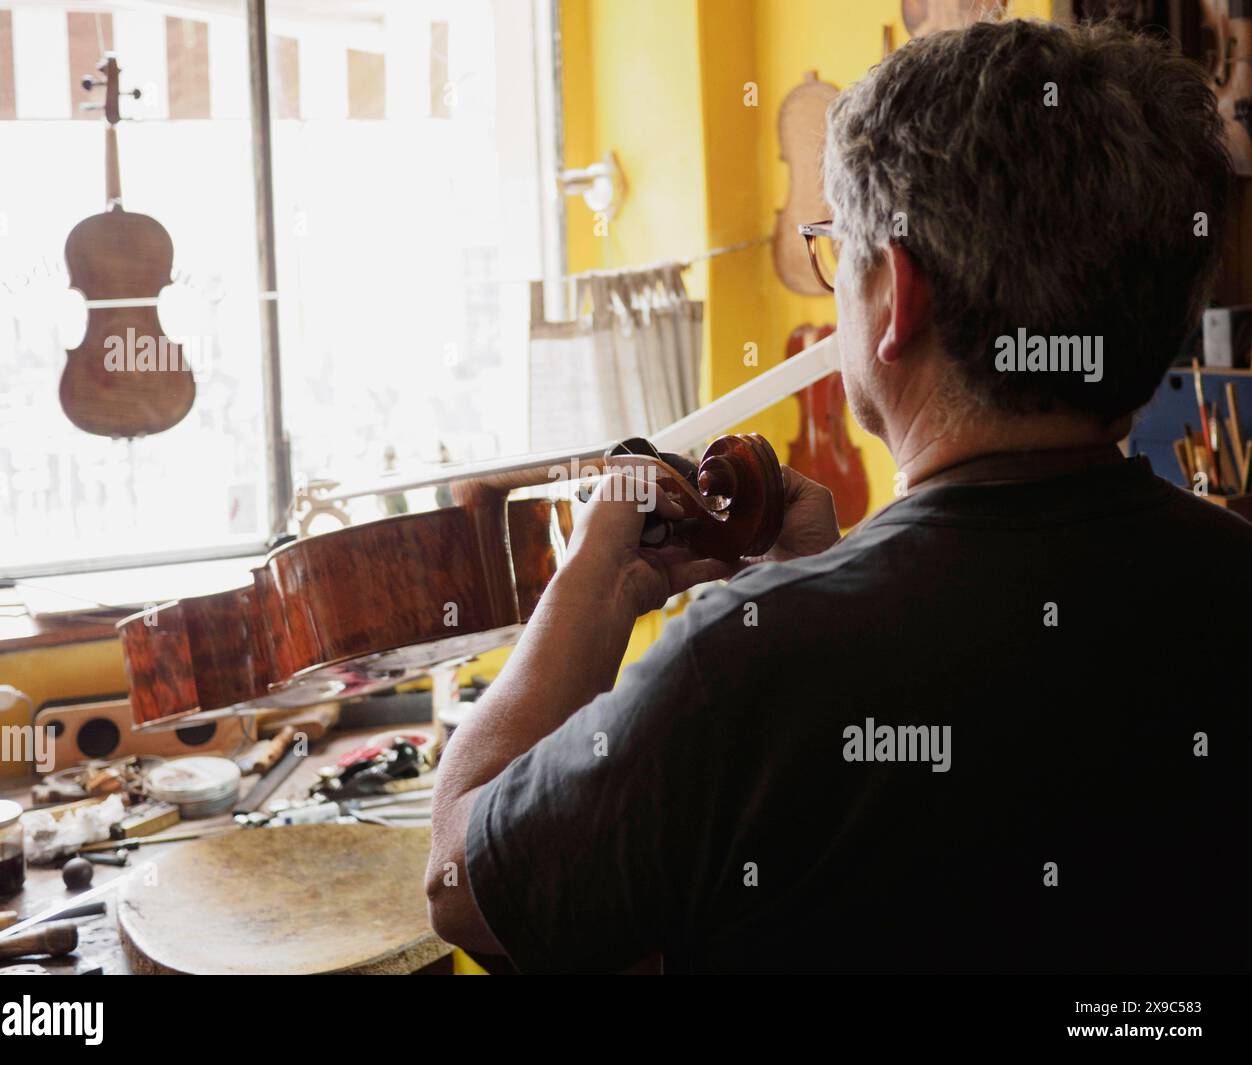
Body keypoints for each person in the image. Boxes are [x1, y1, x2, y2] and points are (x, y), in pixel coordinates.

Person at [426, 18, 1252, 973]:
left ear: (896, 297)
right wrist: (826, 583)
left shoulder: (741, 670)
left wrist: (587, 590)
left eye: (835, 249)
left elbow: (462, 888)